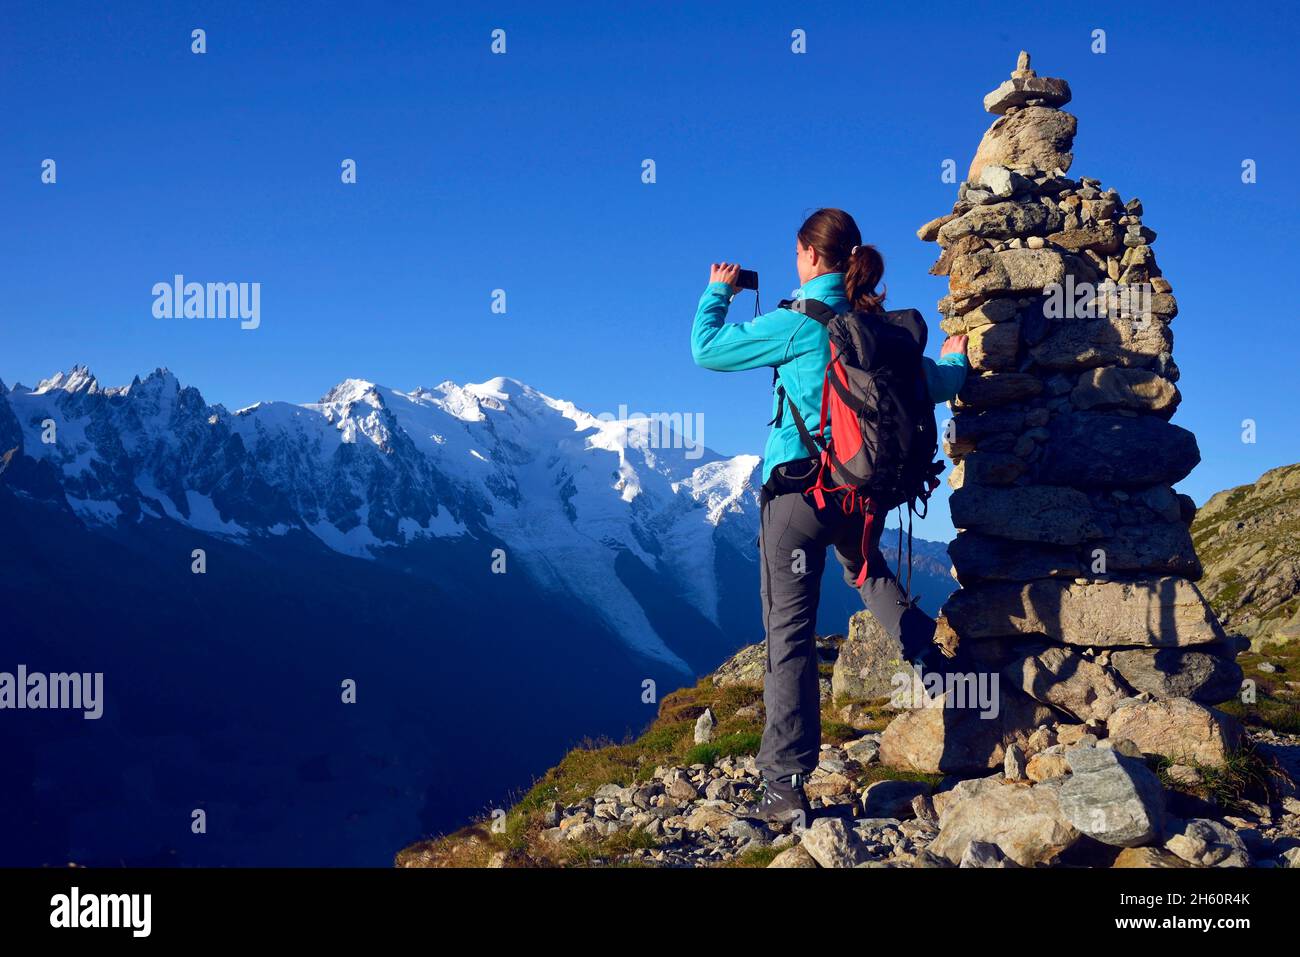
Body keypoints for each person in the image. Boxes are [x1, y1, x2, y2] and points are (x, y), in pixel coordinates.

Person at [690, 208, 969, 824]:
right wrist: (957, 357)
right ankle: (951, 683)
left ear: (810, 257)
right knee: (870, 577)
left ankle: (785, 786)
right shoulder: (876, 330)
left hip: (798, 500)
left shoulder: (797, 322)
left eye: (797, 254)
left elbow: (705, 351)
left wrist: (719, 290)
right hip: (860, 498)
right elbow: (939, 382)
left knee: (789, 635)